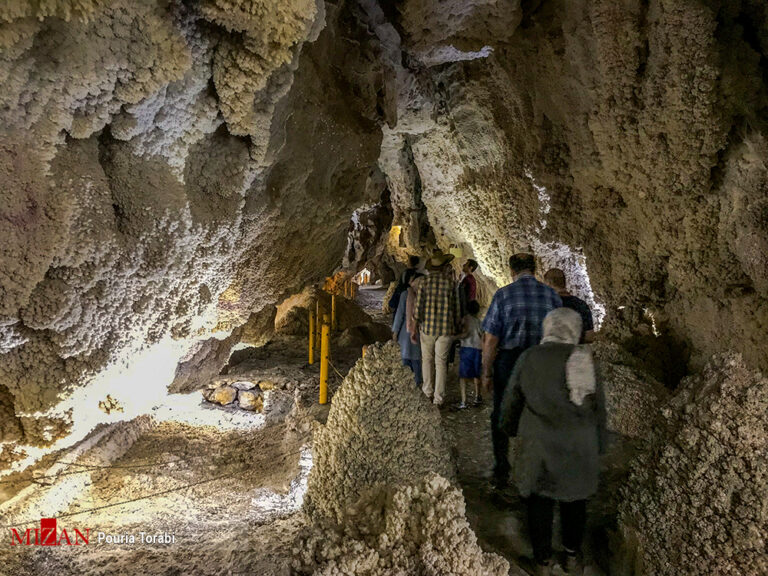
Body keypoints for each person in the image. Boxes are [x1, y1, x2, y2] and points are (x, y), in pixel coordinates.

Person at [500, 308, 607, 576]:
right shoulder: (584, 359)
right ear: (575, 330)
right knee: (575, 502)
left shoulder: (530, 357)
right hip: (577, 447)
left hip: (539, 444)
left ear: (548, 328)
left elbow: (513, 397)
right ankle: (572, 556)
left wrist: (508, 427)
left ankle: (542, 561)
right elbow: (599, 408)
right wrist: (600, 443)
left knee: (539, 501)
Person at [481, 253, 562, 488]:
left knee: (501, 414)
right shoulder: (551, 296)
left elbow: (491, 339)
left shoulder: (503, 295)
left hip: (511, 360)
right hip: (542, 360)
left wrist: (486, 372)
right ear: (534, 269)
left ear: (511, 271)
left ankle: (502, 470)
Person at [413, 252, 460, 407]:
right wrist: (457, 327)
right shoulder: (450, 283)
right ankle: (439, 398)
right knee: (441, 362)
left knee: (427, 360)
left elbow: (418, 309)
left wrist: (414, 327)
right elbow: (456, 309)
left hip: (427, 328)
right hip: (446, 329)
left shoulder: (424, 283)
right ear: (443, 267)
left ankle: (427, 392)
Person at [543, 268, 595, 343]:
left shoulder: (547, 305)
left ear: (548, 283)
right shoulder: (581, 304)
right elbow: (589, 336)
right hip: (575, 351)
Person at [392, 273, 424, 385]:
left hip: (405, 332)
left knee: (405, 358)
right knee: (417, 359)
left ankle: (406, 382)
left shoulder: (406, 294)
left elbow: (400, 313)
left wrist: (395, 332)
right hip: (420, 331)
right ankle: (417, 382)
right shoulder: (424, 294)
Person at [456, 300, 483, 409]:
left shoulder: (466, 318)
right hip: (477, 349)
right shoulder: (479, 322)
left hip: (467, 348)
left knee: (463, 376)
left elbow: (464, 331)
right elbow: (482, 335)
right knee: (477, 374)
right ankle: (477, 396)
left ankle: (464, 401)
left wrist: (455, 337)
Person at [388, 255, 421, 319]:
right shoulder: (419, 274)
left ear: (410, 263)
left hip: (403, 296)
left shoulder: (405, 273)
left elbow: (401, 285)